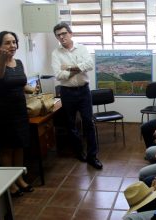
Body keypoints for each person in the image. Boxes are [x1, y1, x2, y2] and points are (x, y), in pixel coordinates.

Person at [0, 31, 35, 197]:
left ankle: (19, 178)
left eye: (14, 42)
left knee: (19, 145)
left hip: (19, 110)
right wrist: (2, 60)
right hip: (1, 111)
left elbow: (20, 83)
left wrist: (30, 89)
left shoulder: (19, 62)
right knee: (6, 148)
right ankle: (10, 183)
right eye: (7, 42)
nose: (12, 45)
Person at [51, 22, 102, 169]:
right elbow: (59, 75)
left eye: (64, 33)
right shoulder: (56, 53)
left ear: (70, 33)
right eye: (58, 35)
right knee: (71, 125)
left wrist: (69, 68)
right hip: (67, 92)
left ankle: (93, 156)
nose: (62, 37)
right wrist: (79, 68)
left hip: (84, 91)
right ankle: (79, 152)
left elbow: (90, 65)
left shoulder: (82, 48)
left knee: (88, 123)